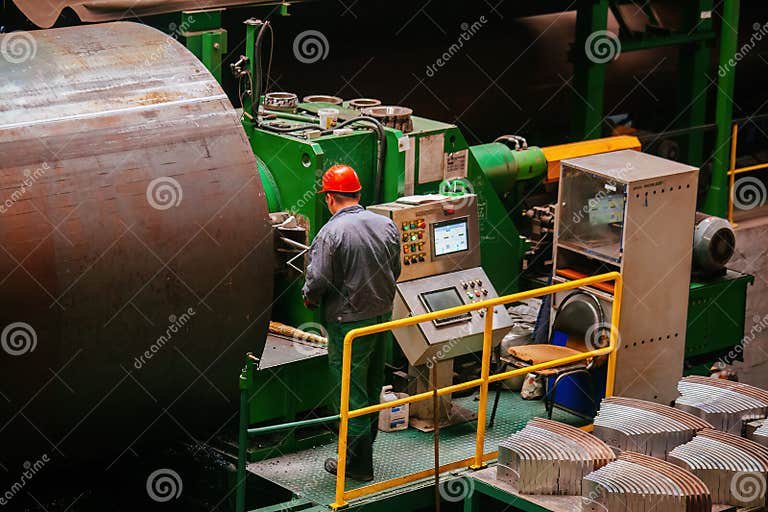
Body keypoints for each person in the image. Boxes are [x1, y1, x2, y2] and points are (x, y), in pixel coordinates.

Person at [302, 164, 401, 482]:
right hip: (381, 318)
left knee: (350, 394)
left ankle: (357, 466)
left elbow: (318, 279)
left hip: (349, 325)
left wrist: (309, 297)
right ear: (358, 194)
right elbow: (396, 270)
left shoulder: (331, 233)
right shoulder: (386, 224)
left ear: (330, 198)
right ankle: (363, 453)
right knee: (372, 387)